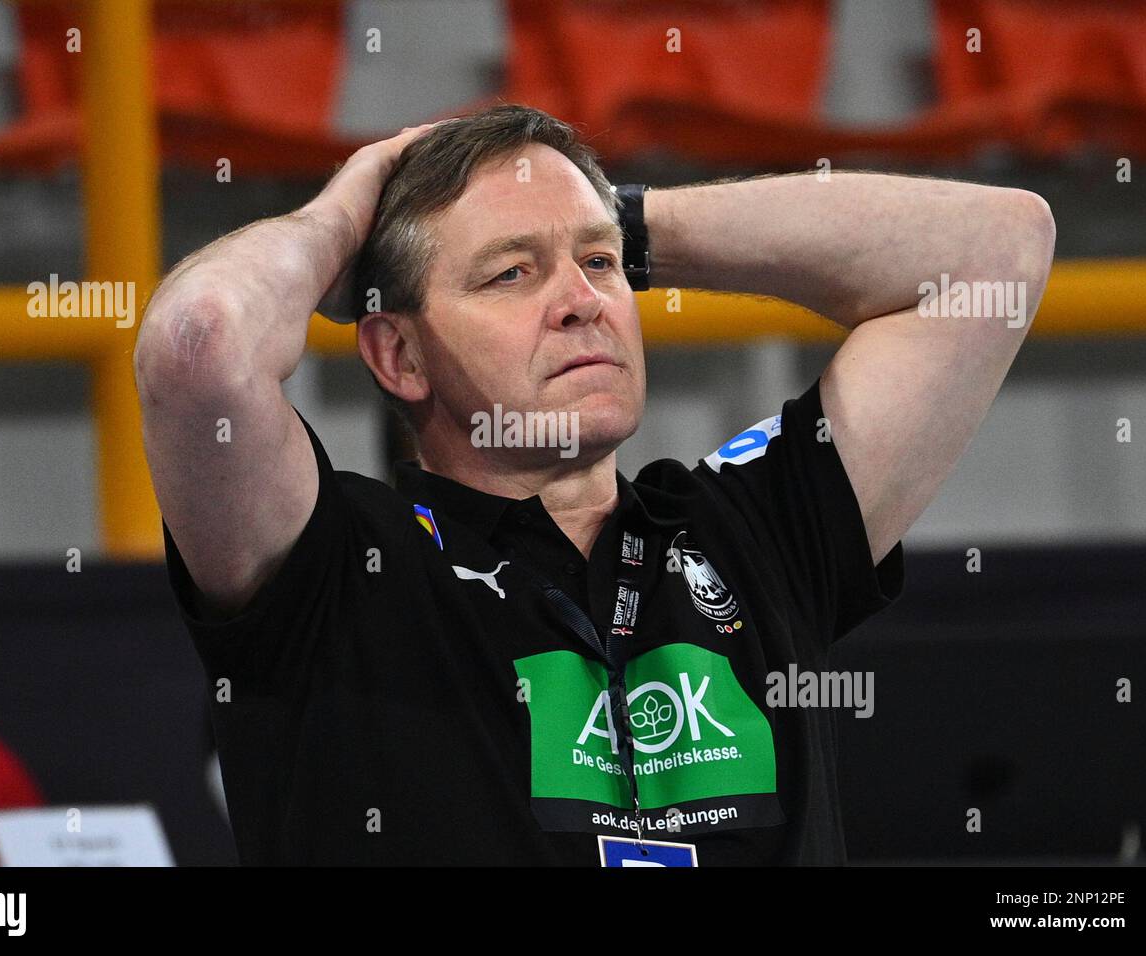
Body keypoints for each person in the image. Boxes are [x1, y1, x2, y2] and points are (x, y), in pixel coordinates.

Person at [133, 103, 1055, 866]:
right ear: (400, 353)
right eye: (510, 273)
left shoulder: (748, 530)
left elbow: (998, 255)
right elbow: (199, 345)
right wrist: (343, 220)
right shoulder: (336, 565)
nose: (583, 299)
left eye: (601, 265)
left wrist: (628, 223)